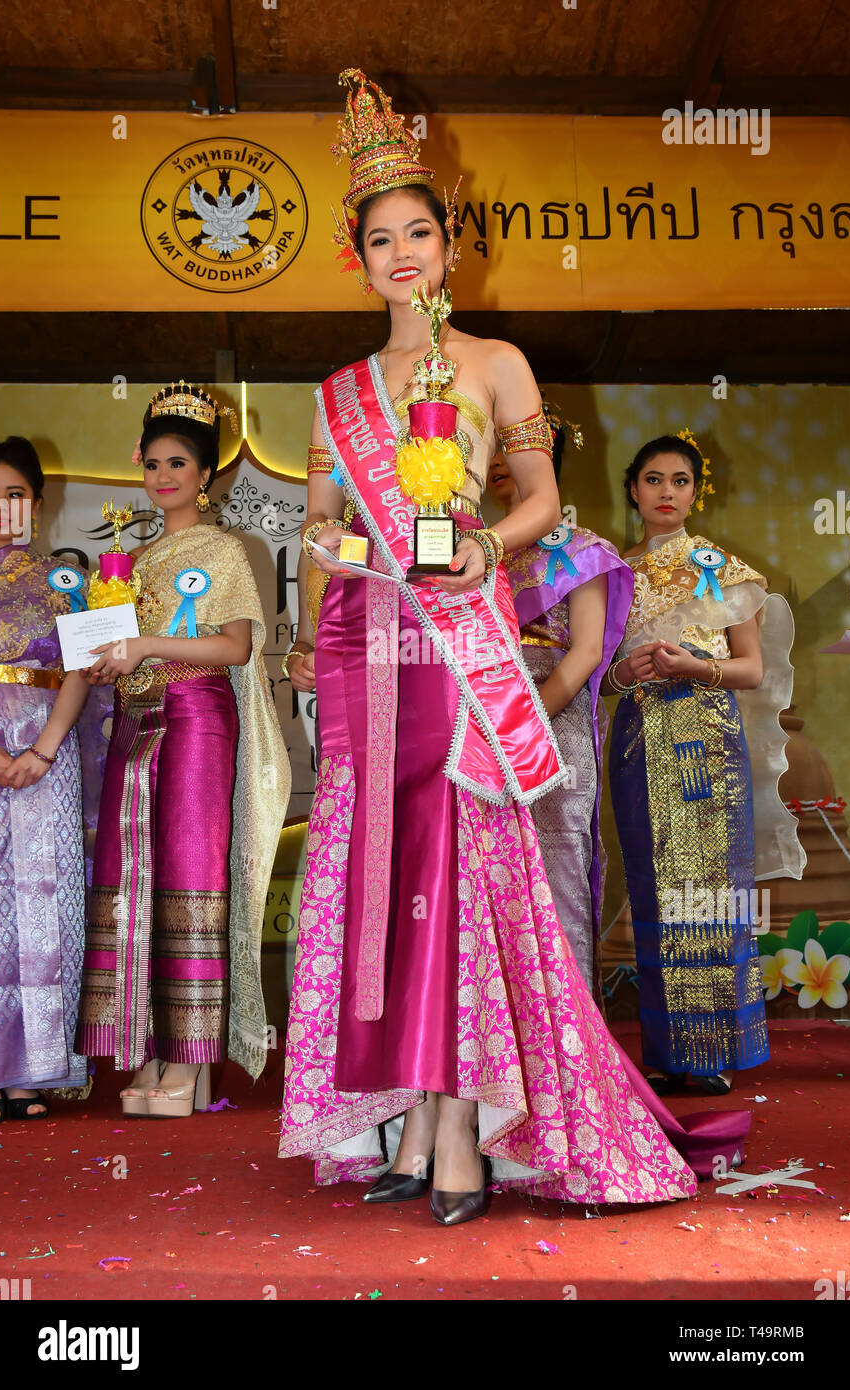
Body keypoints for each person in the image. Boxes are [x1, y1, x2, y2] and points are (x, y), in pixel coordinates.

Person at [278, 71, 749, 1225]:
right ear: (358, 256)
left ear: (450, 243)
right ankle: (407, 1111)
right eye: (378, 238)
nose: (401, 252)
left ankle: (458, 1130)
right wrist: (321, 584)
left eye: (418, 232)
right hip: (367, 644)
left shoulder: (496, 364)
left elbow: (541, 498)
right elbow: (317, 525)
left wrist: (484, 550)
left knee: (457, 872)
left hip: (460, 643)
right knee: (381, 877)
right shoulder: (336, 390)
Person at [75, 384, 290, 1116]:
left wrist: (143, 645)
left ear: (206, 476)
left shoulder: (223, 549)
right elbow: (123, 656)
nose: (165, 477)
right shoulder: (133, 562)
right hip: (138, 723)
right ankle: (151, 1046)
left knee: (191, 871)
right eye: (155, 463)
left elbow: (233, 646)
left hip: (196, 713)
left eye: (181, 464)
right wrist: (112, 658)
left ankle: (192, 1059)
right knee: (138, 876)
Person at [605, 433, 804, 1097]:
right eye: (654, 479)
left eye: (680, 481)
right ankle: (665, 1053)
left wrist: (697, 667)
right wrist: (618, 673)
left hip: (711, 745)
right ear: (633, 488)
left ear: (696, 491)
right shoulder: (607, 571)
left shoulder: (720, 568)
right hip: (639, 742)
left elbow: (751, 668)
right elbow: (594, 674)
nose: (667, 492)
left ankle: (712, 1049)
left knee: (712, 897)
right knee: (655, 895)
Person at [490, 423, 634, 999]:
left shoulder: (580, 550)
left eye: (517, 450)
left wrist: (524, 720)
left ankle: (571, 1046)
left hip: (554, 721)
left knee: (558, 868)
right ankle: (500, 1044)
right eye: (490, 451)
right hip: (482, 723)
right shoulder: (469, 550)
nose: (501, 462)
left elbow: (588, 653)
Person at [0, 437, 96, 1121]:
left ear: (38, 502)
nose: (2, 508)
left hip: (45, 755)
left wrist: (47, 750)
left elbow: (85, 669)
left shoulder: (65, 579)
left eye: (15, 495)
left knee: (41, 900)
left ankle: (32, 1070)